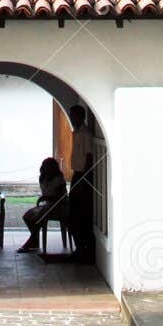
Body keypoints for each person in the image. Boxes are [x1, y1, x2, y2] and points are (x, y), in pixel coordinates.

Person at [17, 157, 67, 252]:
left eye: (49, 167)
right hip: (48, 205)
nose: (47, 169)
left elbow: (61, 197)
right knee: (27, 216)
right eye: (45, 167)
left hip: (60, 206)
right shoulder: (42, 178)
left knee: (39, 218)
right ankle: (34, 239)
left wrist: (46, 198)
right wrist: (45, 199)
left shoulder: (59, 179)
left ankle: (32, 241)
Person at [67, 104, 96, 263]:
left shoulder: (85, 134)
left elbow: (89, 157)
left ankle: (83, 250)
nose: (72, 118)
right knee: (74, 214)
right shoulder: (77, 132)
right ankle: (79, 249)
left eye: (73, 115)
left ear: (80, 116)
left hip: (83, 176)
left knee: (80, 214)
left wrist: (84, 181)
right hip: (77, 175)